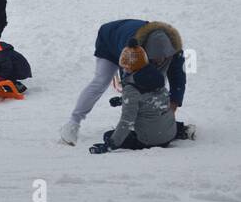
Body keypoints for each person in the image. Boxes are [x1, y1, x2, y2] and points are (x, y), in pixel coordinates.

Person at [60, 19, 189, 146]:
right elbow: (130, 86)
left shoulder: (174, 50)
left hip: (134, 43)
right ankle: (73, 123)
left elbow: (178, 78)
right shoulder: (132, 50)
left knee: (154, 83)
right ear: (145, 52)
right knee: (101, 81)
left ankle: (156, 125)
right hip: (109, 40)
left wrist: (171, 109)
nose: (160, 62)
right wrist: (125, 126)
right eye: (155, 59)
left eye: (164, 58)